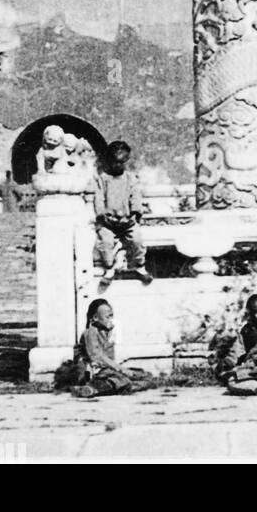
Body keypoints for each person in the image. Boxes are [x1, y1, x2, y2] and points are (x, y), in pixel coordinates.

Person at [93, 140, 151, 283]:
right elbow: (99, 199)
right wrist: (102, 215)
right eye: (115, 162)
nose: (117, 165)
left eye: (121, 162)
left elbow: (136, 196)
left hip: (127, 221)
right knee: (105, 241)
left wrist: (135, 214)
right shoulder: (103, 179)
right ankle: (109, 269)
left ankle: (139, 266)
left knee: (137, 239)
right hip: (108, 222)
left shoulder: (130, 179)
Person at [72, 299, 135, 397]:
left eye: (112, 316)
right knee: (124, 380)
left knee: (143, 376)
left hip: (106, 371)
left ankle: (112, 386)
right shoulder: (90, 332)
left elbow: (109, 356)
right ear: (96, 317)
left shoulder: (107, 332)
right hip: (91, 372)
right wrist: (119, 368)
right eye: (107, 317)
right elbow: (96, 356)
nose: (111, 319)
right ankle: (91, 388)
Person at [213, 293, 257, 379]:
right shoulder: (246, 330)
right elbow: (237, 350)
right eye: (252, 313)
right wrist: (227, 362)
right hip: (253, 365)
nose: (255, 316)